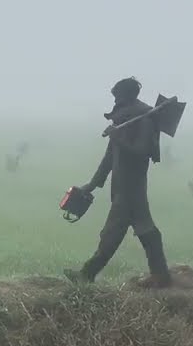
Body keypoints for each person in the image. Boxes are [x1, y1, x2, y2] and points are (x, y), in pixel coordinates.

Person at [66, 77, 172, 288]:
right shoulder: (124, 119)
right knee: (146, 230)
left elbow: (142, 150)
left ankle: (87, 273)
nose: (115, 101)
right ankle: (160, 275)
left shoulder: (145, 118)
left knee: (112, 232)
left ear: (127, 95)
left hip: (132, 187)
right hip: (122, 186)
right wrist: (92, 184)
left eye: (117, 96)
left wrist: (118, 137)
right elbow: (110, 157)